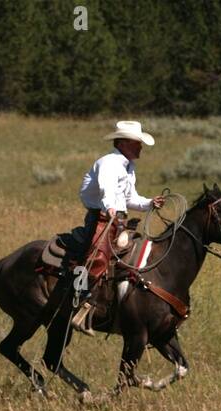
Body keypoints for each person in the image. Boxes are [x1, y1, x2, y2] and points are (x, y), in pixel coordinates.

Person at [63, 121, 166, 335]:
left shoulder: (129, 167)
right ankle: (82, 305)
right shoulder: (109, 163)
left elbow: (130, 198)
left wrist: (149, 203)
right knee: (98, 257)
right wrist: (110, 208)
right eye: (137, 143)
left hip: (118, 220)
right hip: (102, 217)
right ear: (124, 142)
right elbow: (106, 190)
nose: (141, 147)